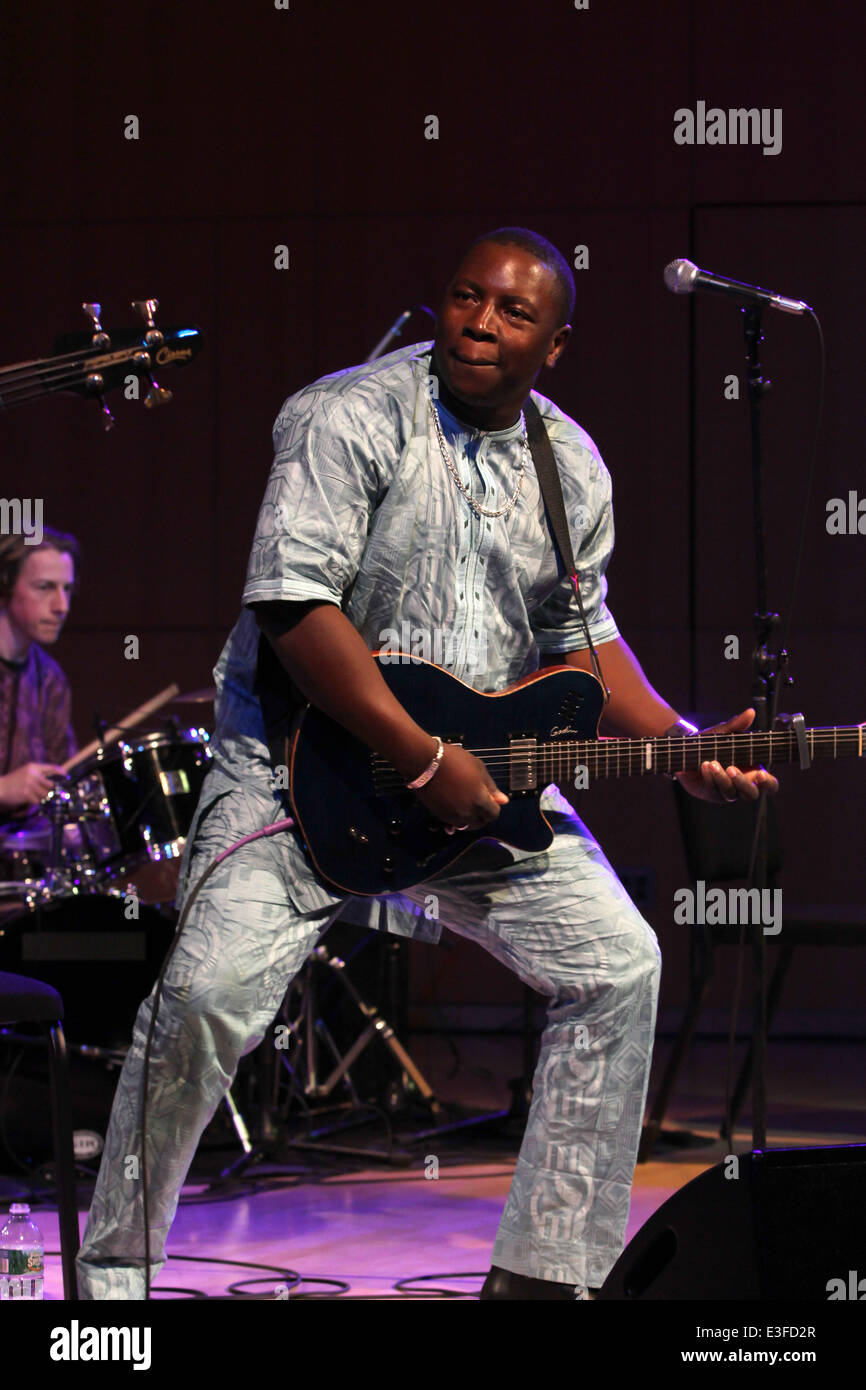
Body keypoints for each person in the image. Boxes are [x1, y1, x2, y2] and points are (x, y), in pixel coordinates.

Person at [76, 228, 777, 1301]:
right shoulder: (344, 414)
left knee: (616, 964)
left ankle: (546, 1278)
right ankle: (114, 1282)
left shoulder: (570, 463)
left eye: (510, 313)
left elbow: (582, 635)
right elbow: (293, 605)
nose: (478, 322)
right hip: (293, 776)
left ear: (557, 344)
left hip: (469, 796)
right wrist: (417, 753)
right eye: (464, 297)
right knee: (207, 995)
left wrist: (677, 746)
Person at [0, 529, 78, 815]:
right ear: (5, 585)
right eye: (44, 587)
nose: (62, 606)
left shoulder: (50, 678)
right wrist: (4, 788)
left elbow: (60, 773)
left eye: (67, 589)